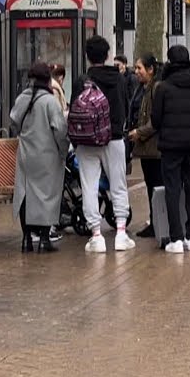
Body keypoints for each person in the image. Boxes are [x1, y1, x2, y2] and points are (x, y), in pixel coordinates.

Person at [71, 36, 134, 254]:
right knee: (118, 184)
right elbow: (125, 107)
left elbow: (73, 111)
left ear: (87, 56)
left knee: (89, 186)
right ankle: (121, 233)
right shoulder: (118, 79)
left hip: (87, 142)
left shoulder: (82, 81)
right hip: (113, 139)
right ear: (107, 55)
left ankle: (96, 235)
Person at [151, 45, 190, 253]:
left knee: (172, 188)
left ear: (170, 62)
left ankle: (176, 238)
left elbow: (156, 119)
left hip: (170, 145)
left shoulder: (163, 87)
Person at [11, 62, 68, 253]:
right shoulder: (50, 102)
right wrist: (63, 151)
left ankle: (26, 238)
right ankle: (44, 238)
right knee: (47, 196)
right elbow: (60, 130)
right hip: (48, 155)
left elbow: (14, 121)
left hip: (26, 154)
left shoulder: (22, 98)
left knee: (25, 193)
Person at [127, 54, 162, 238]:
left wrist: (139, 132)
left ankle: (158, 223)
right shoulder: (142, 88)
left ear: (150, 70)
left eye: (139, 68)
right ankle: (155, 222)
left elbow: (156, 120)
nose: (136, 71)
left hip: (154, 147)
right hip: (147, 148)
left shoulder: (155, 88)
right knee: (151, 185)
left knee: (155, 185)